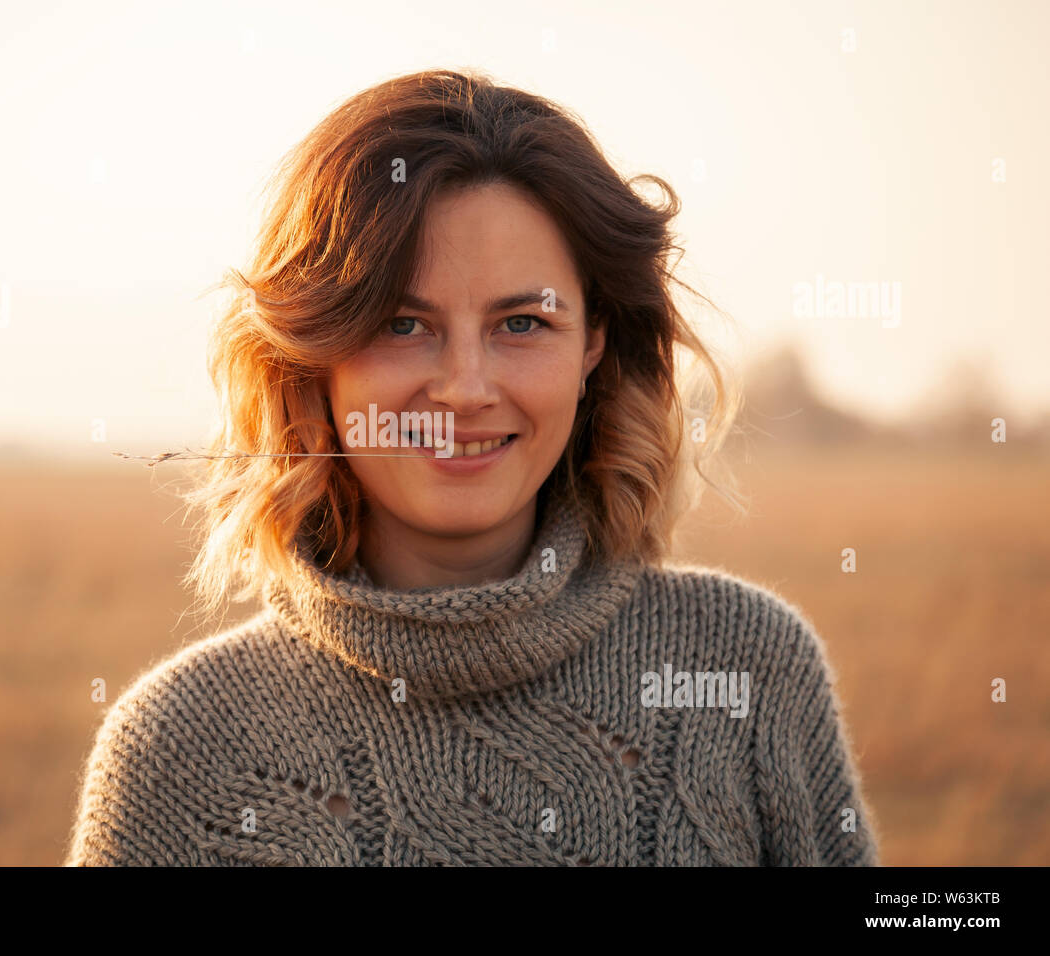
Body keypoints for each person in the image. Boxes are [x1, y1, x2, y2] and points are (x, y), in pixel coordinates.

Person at [64, 68, 878, 866]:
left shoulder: (745, 669)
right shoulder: (179, 752)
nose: (464, 389)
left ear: (594, 342)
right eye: (402, 324)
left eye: (521, 323)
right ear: (314, 360)